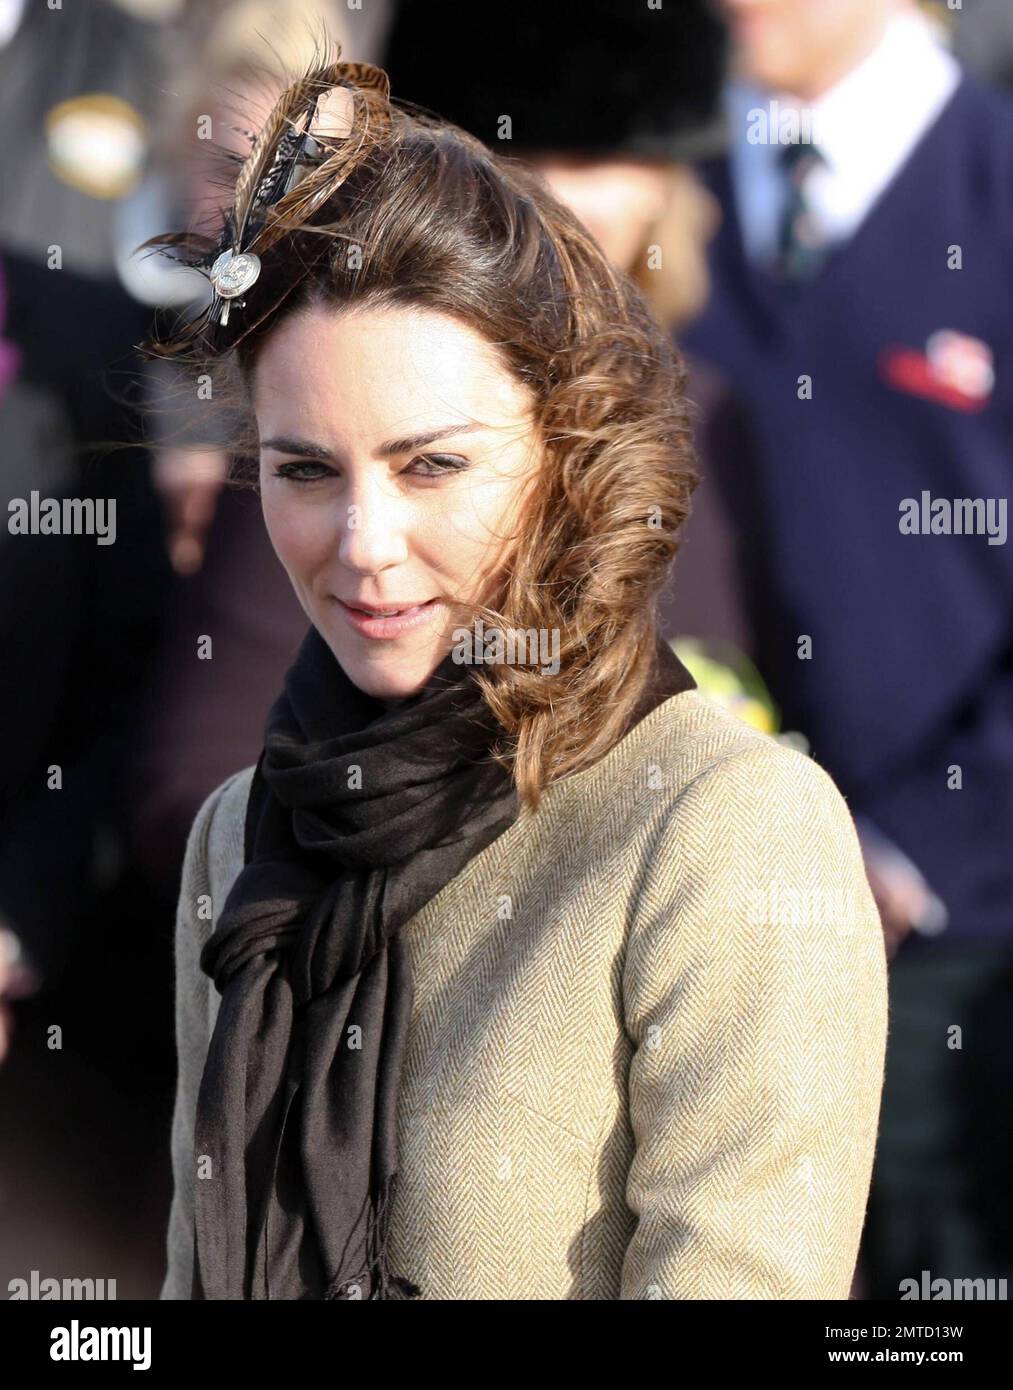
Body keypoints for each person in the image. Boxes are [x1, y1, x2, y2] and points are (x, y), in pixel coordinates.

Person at [144, 52, 887, 1301]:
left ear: (566, 453)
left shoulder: (727, 831)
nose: (363, 544)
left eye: (431, 464)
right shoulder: (241, 836)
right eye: (304, 470)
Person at [684, 0, 1013, 1294]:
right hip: (710, 938)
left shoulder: (992, 189)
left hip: (959, 950)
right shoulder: (669, 213)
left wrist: (913, 848)